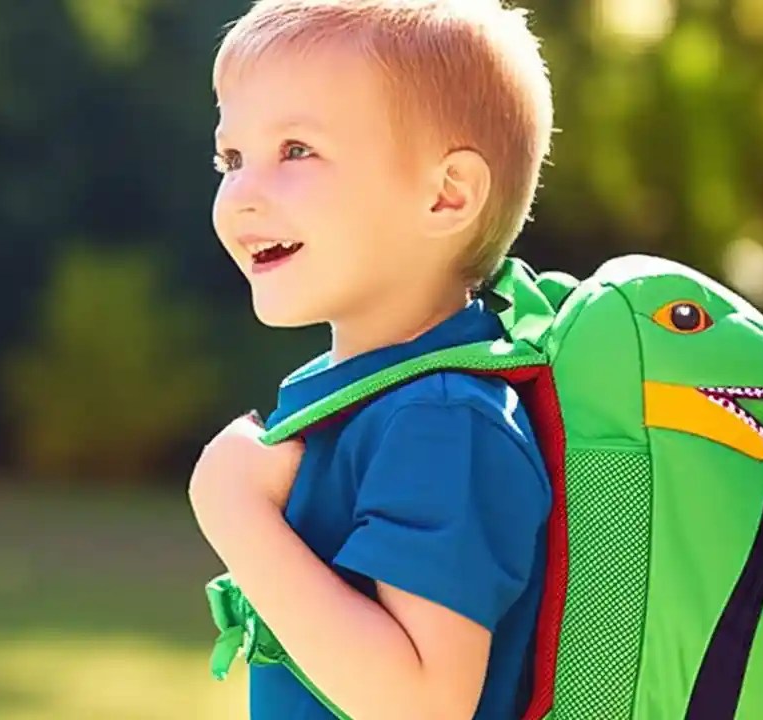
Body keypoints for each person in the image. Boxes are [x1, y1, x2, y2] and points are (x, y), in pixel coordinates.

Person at [188, 1, 555, 717]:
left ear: (446, 196)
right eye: (231, 159)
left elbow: (420, 700)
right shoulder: (373, 398)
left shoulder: (447, 421)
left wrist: (234, 511)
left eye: (296, 150)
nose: (240, 196)